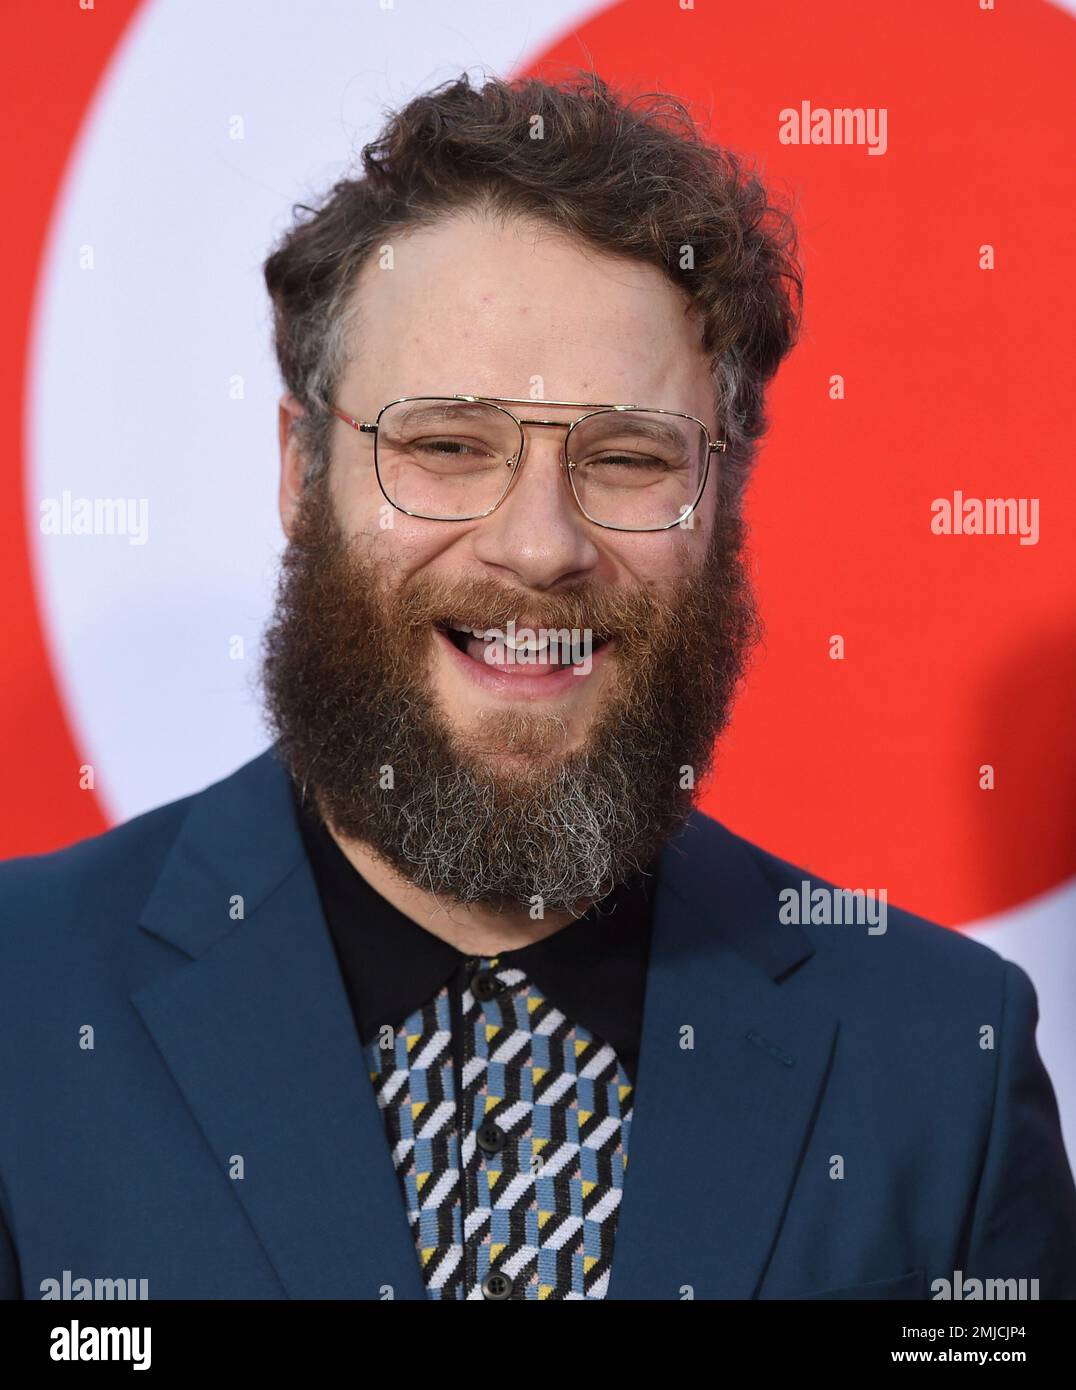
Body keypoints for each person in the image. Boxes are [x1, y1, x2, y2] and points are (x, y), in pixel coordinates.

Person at [2, 70, 1074, 1302]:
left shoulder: (939, 1060)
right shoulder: (22, 1000)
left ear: (721, 503)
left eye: (626, 458)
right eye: (447, 446)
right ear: (300, 471)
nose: (538, 545)